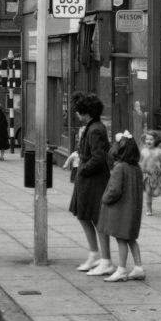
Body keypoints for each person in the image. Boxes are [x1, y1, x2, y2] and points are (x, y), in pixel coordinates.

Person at [68, 94, 114, 276]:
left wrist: (83, 169)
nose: (77, 114)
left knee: (97, 218)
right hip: (87, 179)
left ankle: (106, 260)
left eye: (79, 111)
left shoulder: (95, 129)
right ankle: (94, 254)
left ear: (85, 113)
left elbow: (98, 157)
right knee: (83, 215)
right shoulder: (92, 127)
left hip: (94, 180)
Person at [97, 131, 145, 282]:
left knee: (121, 238)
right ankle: (138, 268)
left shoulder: (120, 168)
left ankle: (122, 269)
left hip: (121, 210)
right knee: (131, 238)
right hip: (133, 208)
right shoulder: (136, 168)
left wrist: (104, 198)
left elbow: (114, 190)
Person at [140, 133, 161, 216]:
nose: (148, 141)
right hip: (147, 175)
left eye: (151, 139)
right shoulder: (143, 151)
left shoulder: (159, 152)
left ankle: (152, 194)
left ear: (155, 140)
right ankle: (149, 209)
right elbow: (140, 162)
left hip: (157, 176)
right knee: (148, 192)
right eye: (147, 139)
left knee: (156, 194)